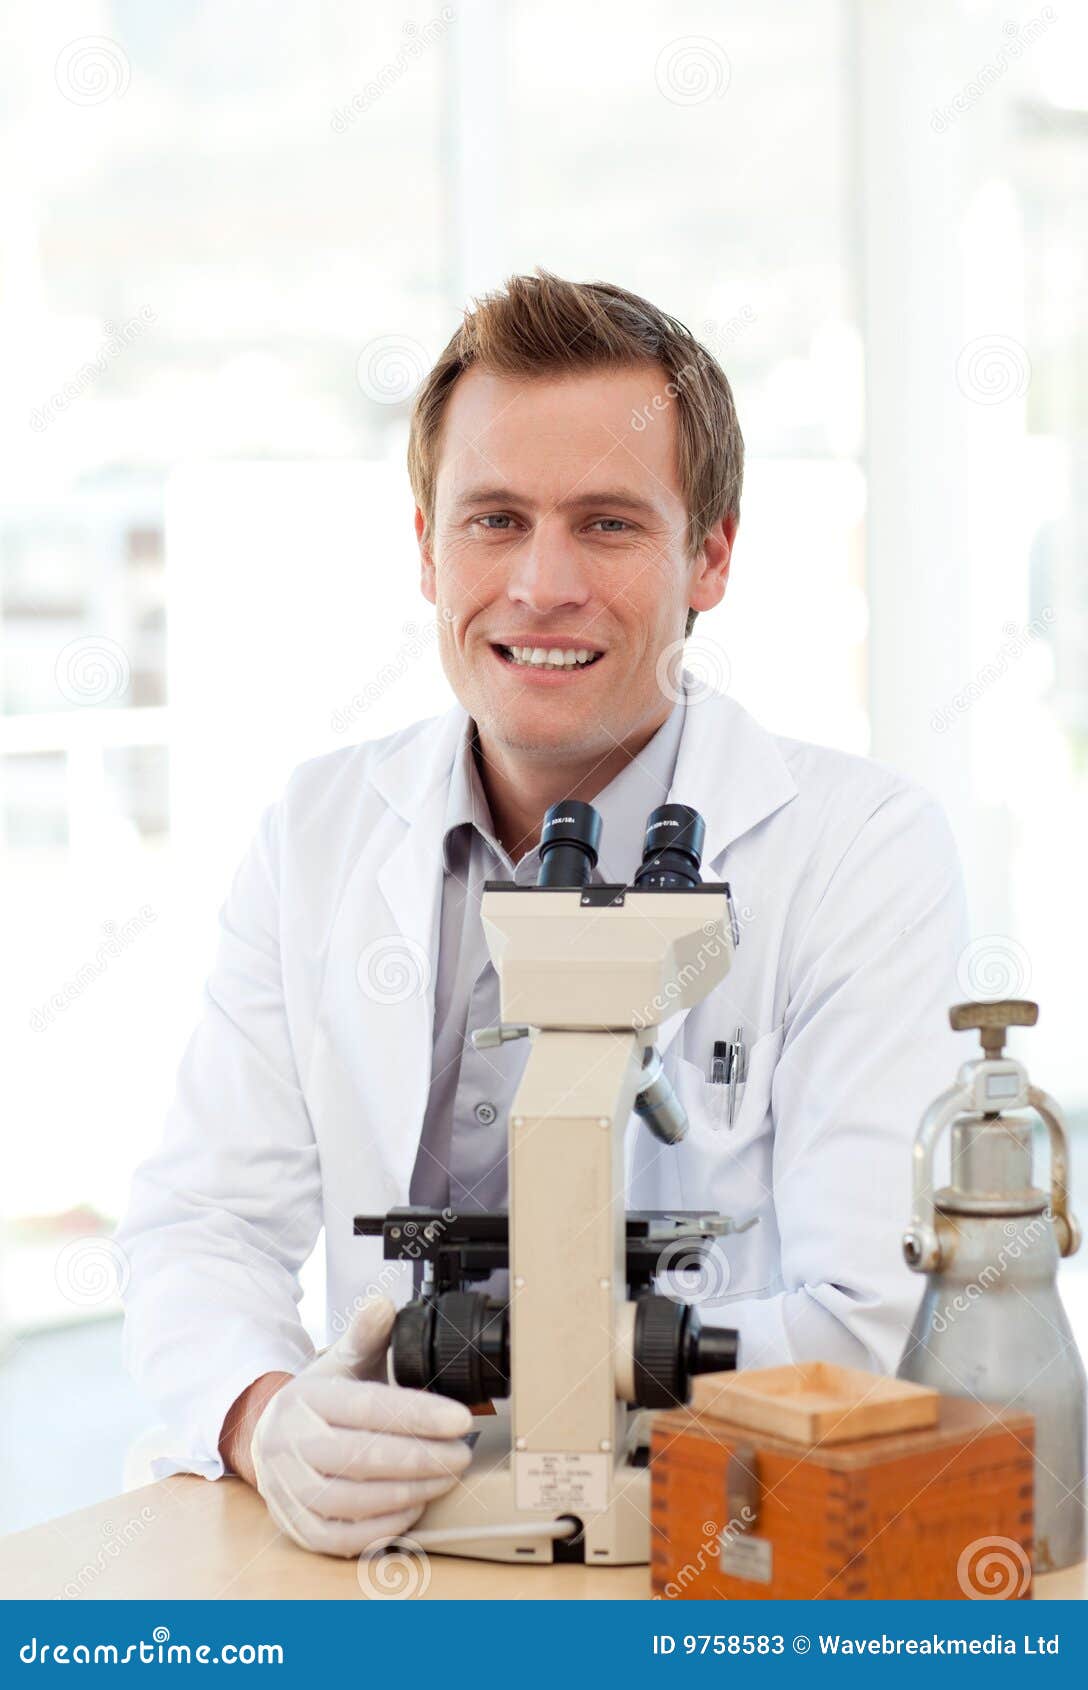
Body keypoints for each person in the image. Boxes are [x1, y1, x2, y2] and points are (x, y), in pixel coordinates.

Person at [116, 271, 969, 1558]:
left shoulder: (856, 849)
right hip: (382, 1548)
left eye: (609, 524)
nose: (540, 583)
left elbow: (870, 1319)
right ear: (425, 547)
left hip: (708, 1550)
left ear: (712, 557)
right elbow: (204, 1224)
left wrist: (574, 1382)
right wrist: (263, 1412)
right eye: (495, 520)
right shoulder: (320, 829)